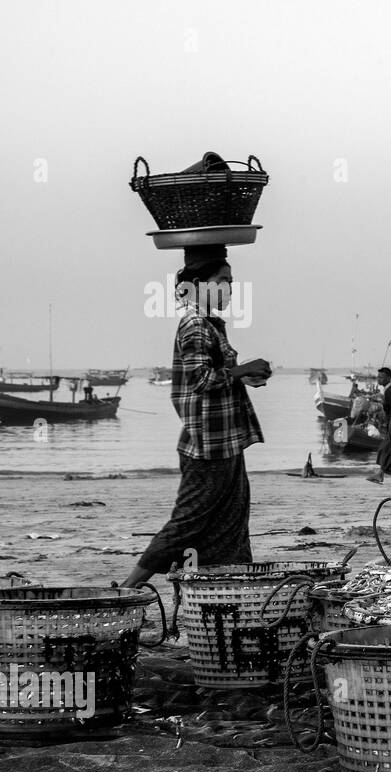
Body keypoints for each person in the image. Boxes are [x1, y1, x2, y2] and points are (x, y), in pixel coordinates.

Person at [120, 244, 270, 587]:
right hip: (206, 448)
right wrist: (242, 369)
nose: (230, 288)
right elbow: (201, 380)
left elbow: (221, 374)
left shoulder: (213, 325)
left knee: (230, 523)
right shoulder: (195, 327)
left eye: (231, 281)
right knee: (187, 523)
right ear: (199, 285)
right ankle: (127, 590)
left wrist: (247, 375)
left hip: (226, 442)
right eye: (223, 280)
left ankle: (227, 590)